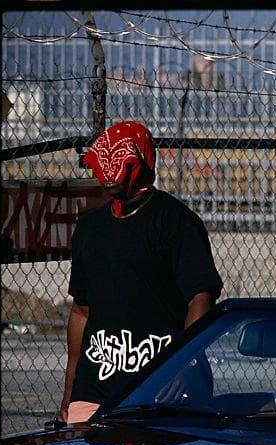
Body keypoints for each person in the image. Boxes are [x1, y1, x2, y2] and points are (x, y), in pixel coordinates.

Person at [60, 120, 223, 423]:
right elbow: (81, 311)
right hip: (94, 395)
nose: (108, 172)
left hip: (163, 393)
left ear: (141, 162)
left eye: (120, 161)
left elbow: (200, 297)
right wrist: (70, 392)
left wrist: (182, 367)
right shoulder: (89, 229)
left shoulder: (176, 222)